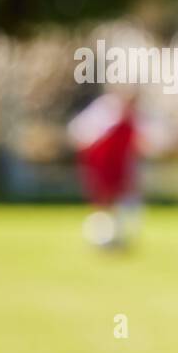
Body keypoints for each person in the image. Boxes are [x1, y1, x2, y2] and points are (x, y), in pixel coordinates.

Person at [68, 89, 144, 249]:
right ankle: (102, 235)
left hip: (120, 167)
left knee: (120, 201)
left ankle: (117, 235)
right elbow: (80, 135)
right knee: (103, 201)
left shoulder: (133, 120)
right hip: (101, 165)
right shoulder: (104, 113)